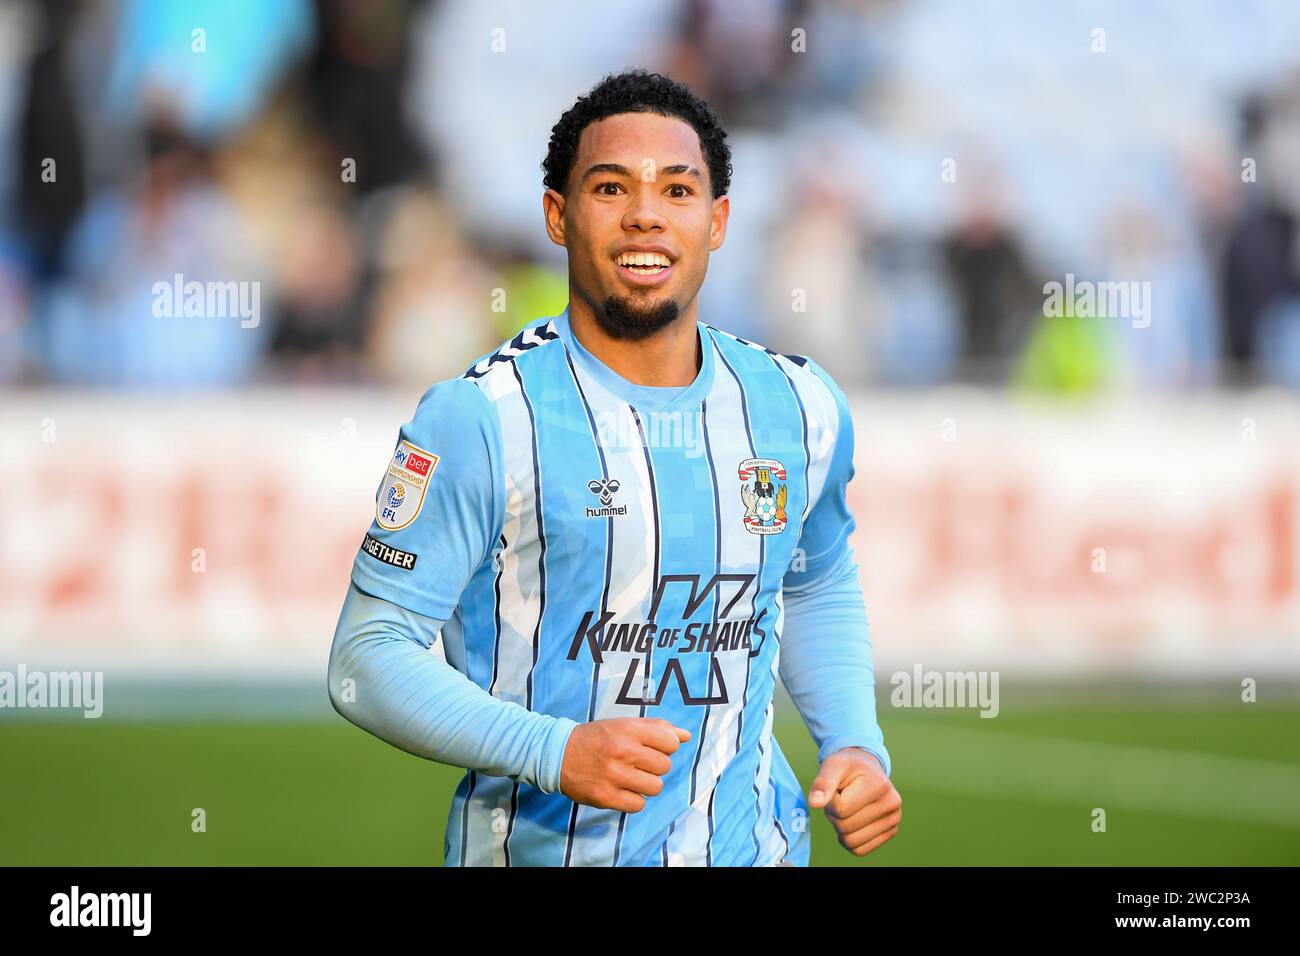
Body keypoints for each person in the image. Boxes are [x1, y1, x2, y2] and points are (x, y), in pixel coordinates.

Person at [328, 69, 900, 866]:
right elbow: (366, 658)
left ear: (718, 220)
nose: (645, 216)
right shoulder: (483, 418)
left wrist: (855, 743)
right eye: (610, 188)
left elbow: (815, 578)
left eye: (677, 190)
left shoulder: (799, 406)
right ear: (558, 217)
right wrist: (553, 751)